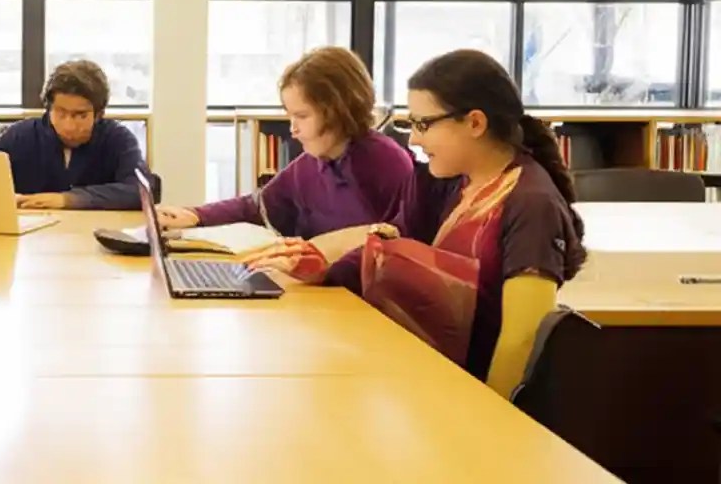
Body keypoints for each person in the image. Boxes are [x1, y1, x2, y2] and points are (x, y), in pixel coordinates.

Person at [247, 49, 587, 397]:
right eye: (410, 125)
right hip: (425, 373)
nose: (414, 139)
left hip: (468, 397)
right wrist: (323, 270)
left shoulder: (531, 204)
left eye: (423, 125)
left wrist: (487, 420)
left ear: (475, 123)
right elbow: (390, 243)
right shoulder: (442, 182)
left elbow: (522, 341)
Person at [157, 47, 413, 238]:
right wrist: (195, 215)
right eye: (290, 116)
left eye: (301, 116)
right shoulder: (311, 164)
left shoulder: (385, 163)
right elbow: (256, 206)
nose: (293, 129)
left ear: (338, 109)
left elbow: (403, 244)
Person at [0, 60, 149, 211]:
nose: (68, 126)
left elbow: (139, 191)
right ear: (48, 108)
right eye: (60, 113)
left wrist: (69, 199)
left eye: (80, 115)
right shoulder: (21, 134)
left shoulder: (118, 139)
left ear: (99, 114)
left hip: (91, 234)